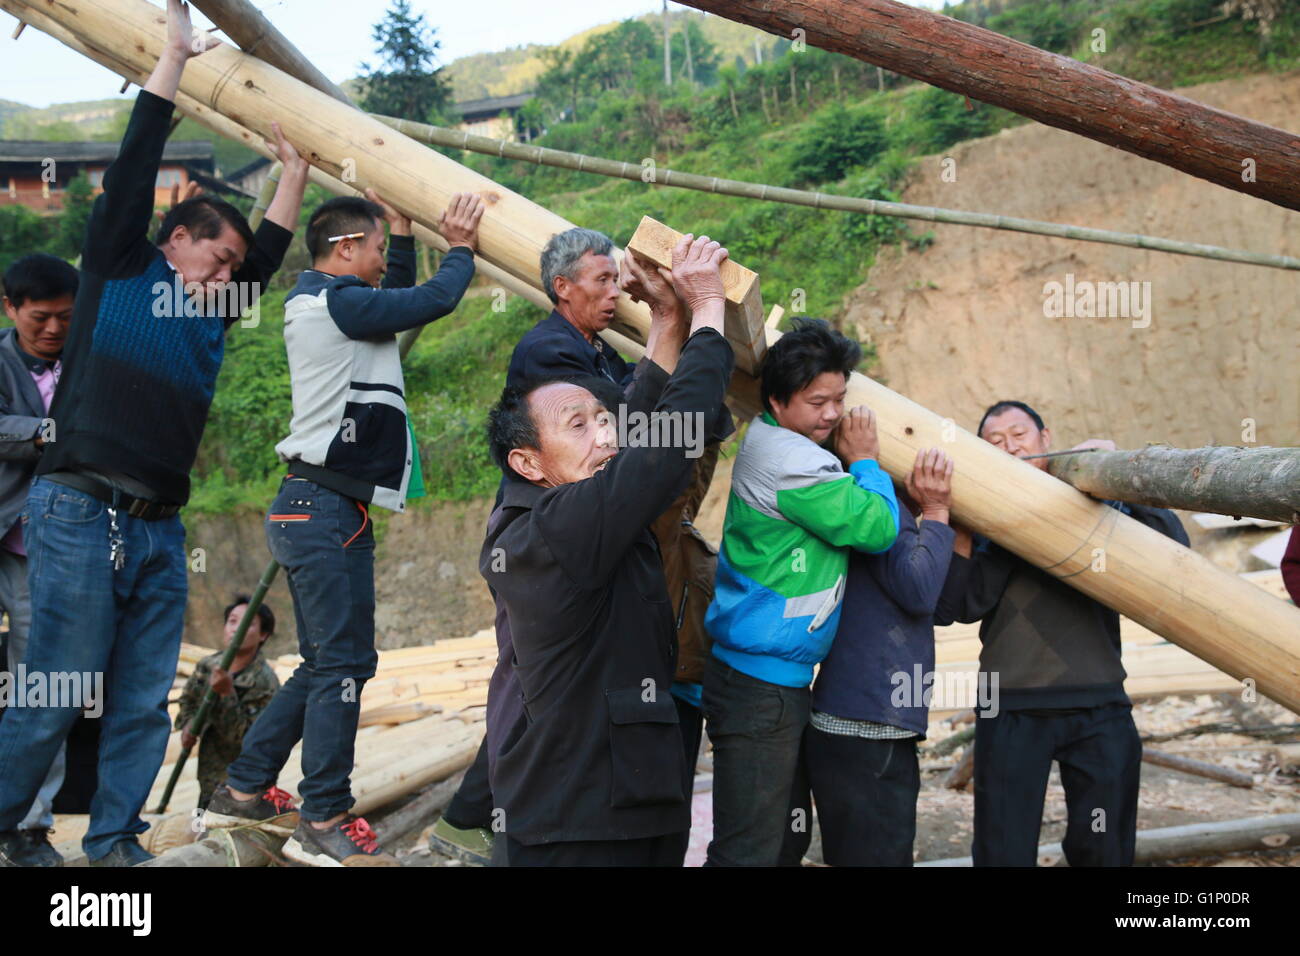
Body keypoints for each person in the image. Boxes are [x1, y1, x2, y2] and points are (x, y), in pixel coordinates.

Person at [0, 0, 308, 869]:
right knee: (54, 693)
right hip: (78, 510)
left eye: (230, 274)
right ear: (174, 242)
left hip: (159, 529)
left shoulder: (213, 315)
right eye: (214, 262)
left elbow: (269, 256)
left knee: (138, 699)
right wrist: (172, 59)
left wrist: (294, 171)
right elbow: (135, 162)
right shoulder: (121, 267)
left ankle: (114, 841)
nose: (224, 280)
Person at [432, 228, 730, 865]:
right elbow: (658, 453)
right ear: (529, 463)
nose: (606, 435)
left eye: (605, 421)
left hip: (631, 799)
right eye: (579, 425)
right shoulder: (547, 530)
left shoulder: (579, 499)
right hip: (577, 819)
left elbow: (637, 430)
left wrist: (670, 320)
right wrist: (709, 315)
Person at [204, 189, 483, 866]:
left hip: (328, 508)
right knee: (340, 667)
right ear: (346, 249)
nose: (385, 262)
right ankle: (322, 814)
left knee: (341, 662)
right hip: (320, 508)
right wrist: (460, 248)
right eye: (380, 248)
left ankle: (241, 788)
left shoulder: (344, 306)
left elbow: (398, 294)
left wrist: (409, 231)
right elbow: (431, 300)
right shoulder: (330, 300)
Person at [936, 399, 1189, 867]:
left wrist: (1117, 474)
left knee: (1104, 847)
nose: (1010, 448)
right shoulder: (986, 517)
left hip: (1100, 705)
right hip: (1011, 705)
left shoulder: (1094, 500)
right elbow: (957, 607)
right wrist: (974, 527)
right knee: (1003, 849)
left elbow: (1174, 547)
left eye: (1019, 436)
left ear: (1045, 439)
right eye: (995, 442)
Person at [702, 317, 900, 867]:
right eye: (818, 402)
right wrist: (863, 461)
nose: (833, 414)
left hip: (755, 676)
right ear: (777, 399)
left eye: (839, 399)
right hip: (761, 687)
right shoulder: (796, 464)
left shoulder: (768, 439)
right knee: (750, 849)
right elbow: (877, 528)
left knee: (781, 839)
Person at [786, 448, 957, 867]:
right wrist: (936, 509)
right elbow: (919, 589)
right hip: (867, 728)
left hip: (855, 725)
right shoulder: (876, 506)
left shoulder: (857, 500)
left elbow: (945, 605)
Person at [0, 253, 78, 867]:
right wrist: (51, 432)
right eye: (40, 319)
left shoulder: (87, 365)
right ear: (10, 309)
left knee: (40, 683)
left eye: (65, 319)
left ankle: (27, 824)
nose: (53, 330)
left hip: (44, 548)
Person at [174, 597, 280, 811]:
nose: (236, 628)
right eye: (232, 621)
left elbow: (249, 740)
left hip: (247, 786)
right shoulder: (209, 665)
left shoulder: (265, 682)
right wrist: (188, 726)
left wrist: (227, 694)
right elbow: (188, 701)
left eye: (247, 623)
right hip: (208, 779)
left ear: (263, 635)